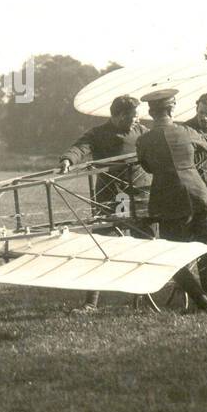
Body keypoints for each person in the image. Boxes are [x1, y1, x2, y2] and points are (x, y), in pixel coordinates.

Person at [136, 89, 207, 315]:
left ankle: (204, 304)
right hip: (198, 196)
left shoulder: (143, 140)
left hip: (167, 202)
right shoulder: (187, 131)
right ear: (172, 109)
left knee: (175, 259)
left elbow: (147, 167)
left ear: (151, 113)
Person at [57, 95, 151, 310]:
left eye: (137, 117)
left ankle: (141, 297)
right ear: (118, 116)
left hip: (141, 194)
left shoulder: (142, 132)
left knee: (145, 244)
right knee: (102, 246)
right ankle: (91, 302)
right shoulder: (98, 133)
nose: (136, 120)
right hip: (115, 196)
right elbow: (81, 147)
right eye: (132, 117)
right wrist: (67, 160)